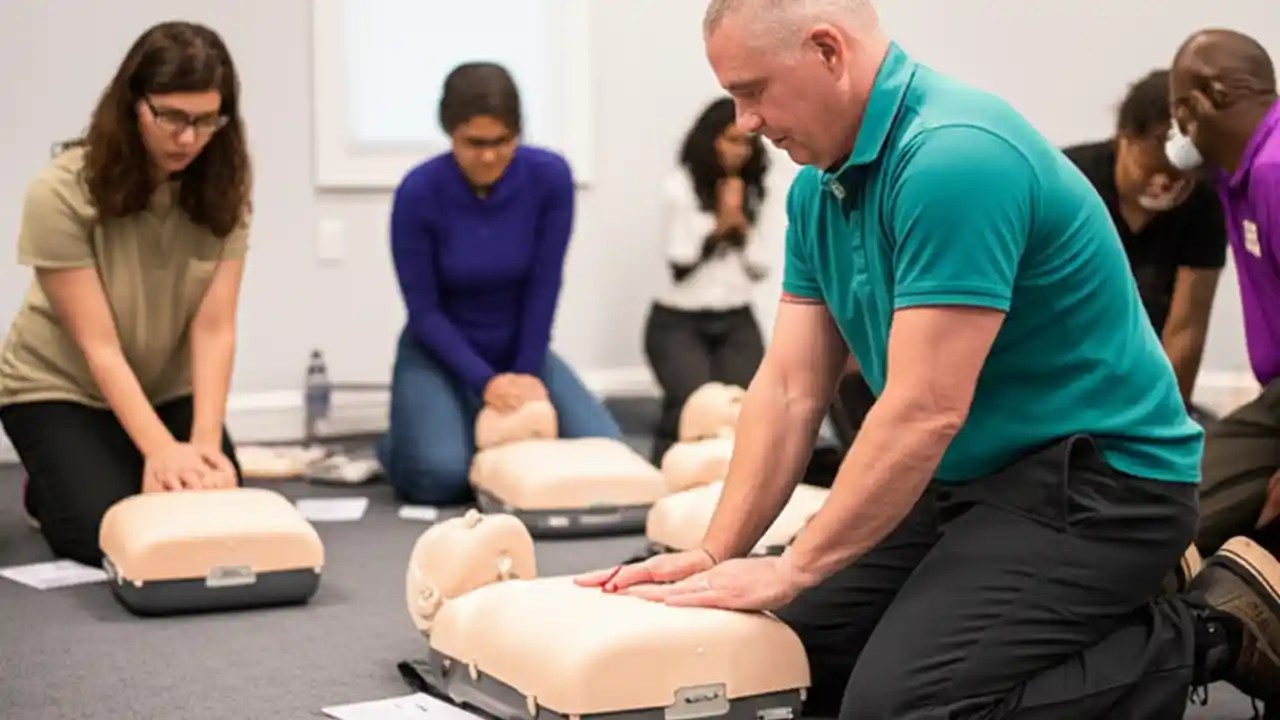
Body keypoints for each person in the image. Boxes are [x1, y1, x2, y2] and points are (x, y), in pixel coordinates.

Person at [578, 2, 1280, 716]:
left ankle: (1207, 631)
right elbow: (790, 388)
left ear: (827, 50)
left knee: (898, 707)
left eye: (753, 89)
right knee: (783, 652)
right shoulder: (819, 191)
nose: (743, 120)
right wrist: (714, 554)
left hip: (1101, 488)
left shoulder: (954, 156)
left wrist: (793, 567)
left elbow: (925, 410)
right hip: (965, 480)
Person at [0, 21, 249, 567]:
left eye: (206, 120)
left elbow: (213, 329)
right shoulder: (59, 192)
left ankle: (116, 456)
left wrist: (203, 447)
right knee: (108, 532)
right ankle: (47, 486)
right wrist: (160, 451)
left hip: (164, 382)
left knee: (212, 511)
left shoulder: (225, 189)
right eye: (171, 118)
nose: (188, 138)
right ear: (133, 104)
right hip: (59, 384)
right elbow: (99, 346)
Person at [379, 62, 622, 506]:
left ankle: (465, 423)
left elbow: (544, 284)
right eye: (475, 143)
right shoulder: (417, 192)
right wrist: (486, 384)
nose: (489, 155)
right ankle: (404, 439)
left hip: (519, 349)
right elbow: (424, 311)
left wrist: (525, 374)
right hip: (438, 353)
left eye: (502, 142)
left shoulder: (550, 178)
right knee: (438, 477)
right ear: (449, 132)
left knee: (605, 454)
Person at [1167, 30, 1280, 563]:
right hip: (1275, 398)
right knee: (1174, 515)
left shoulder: (1275, 171)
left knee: (1173, 527)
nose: (1178, 131)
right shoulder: (1241, 180)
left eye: (1178, 113)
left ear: (1201, 103)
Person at [1065, 69, 1228, 408]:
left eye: (1178, 178)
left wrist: (1165, 418)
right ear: (1123, 138)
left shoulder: (1204, 204)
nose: (1162, 186)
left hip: (1143, 370)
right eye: (1149, 170)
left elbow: (1187, 326)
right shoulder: (1067, 182)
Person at [644, 97, 771, 462]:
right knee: (693, 410)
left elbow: (759, 267)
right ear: (709, 140)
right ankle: (666, 485)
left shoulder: (751, 189)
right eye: (730, 141)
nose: (739, 152)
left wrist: (741, 225)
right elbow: (680, 262)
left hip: (735, 317)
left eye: (746, 143)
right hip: (679, 321)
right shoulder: (679, 187)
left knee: (742, 410)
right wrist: (719, 226)